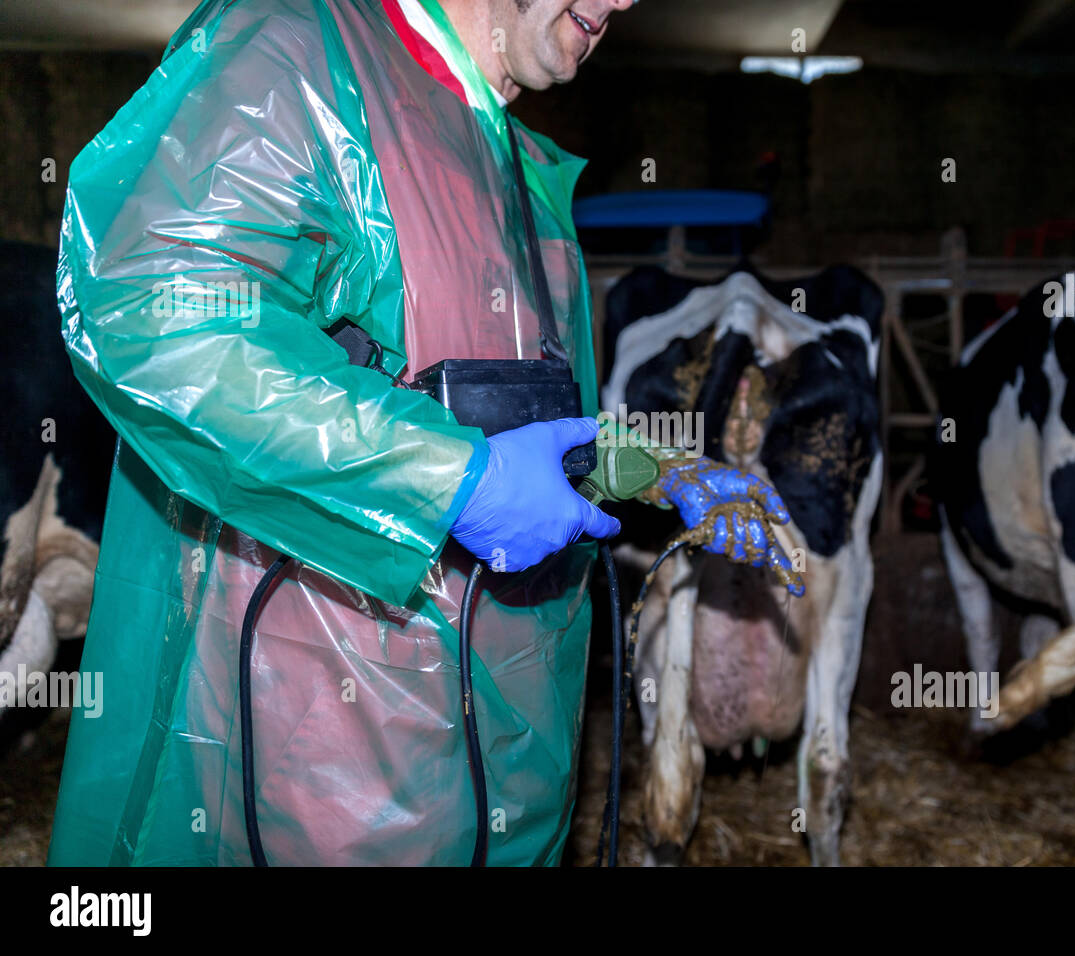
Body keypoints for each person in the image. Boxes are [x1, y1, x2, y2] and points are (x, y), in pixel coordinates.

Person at [48, 0, 801, 866]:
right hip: (328, 772)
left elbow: (528, 423)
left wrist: (659, 468)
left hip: (518, 762)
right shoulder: (304, 51)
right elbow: (155, 306)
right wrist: (452, 480)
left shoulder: (515, 161)